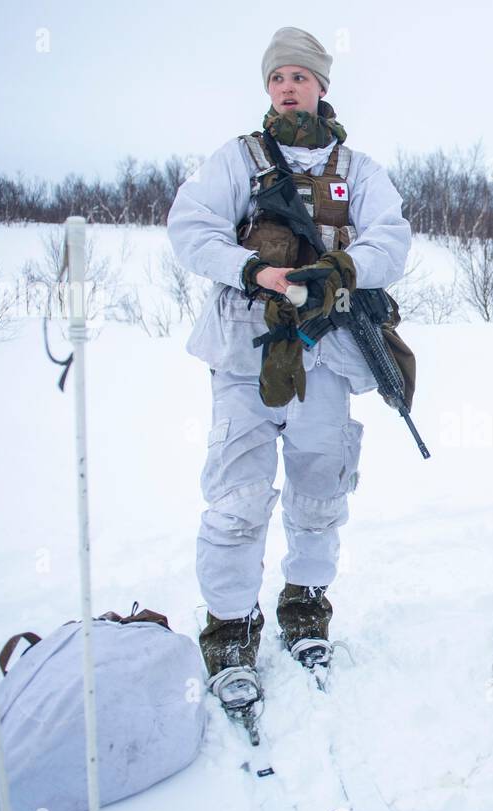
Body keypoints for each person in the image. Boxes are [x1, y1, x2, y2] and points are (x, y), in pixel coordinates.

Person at [167, 26, 410, 717]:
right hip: (247, 349)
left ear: (321, 86)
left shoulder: (356, 169)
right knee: (239, 496)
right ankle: (231, 629)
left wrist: (345, 267)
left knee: (319, 492)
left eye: (300, 77)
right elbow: (190, 227)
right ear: (267, 87)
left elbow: (391, 237)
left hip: (328, 351)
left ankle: (304, 611)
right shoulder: (236, 160)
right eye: (278, 78)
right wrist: (251, 269)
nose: (288, 87)